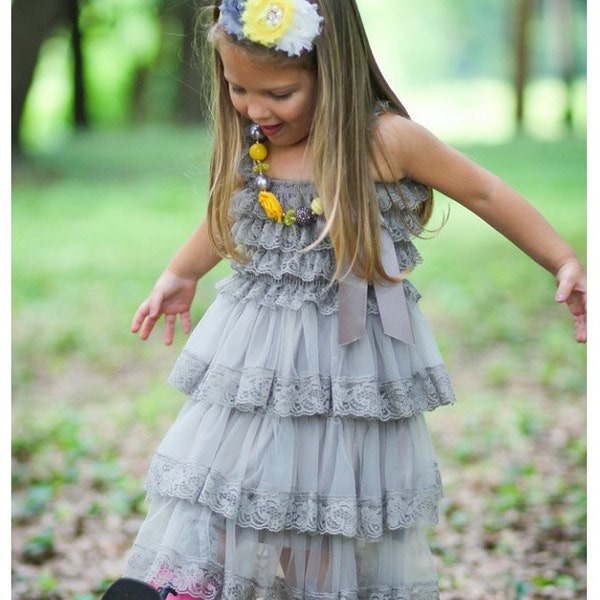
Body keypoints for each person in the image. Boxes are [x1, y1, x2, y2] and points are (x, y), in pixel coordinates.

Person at [114, 1, 587, 599]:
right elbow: (231, 217)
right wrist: (182, 273)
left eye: (279, 93)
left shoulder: (385, 141)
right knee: (225, 486)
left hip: (344, 360)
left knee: (319, 513)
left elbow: (486, 192)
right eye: (238, 88)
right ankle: (203, 589)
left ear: (331, 72)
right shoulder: (257, 143)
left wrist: (563, 260)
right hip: (256, 360)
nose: (255, 110)